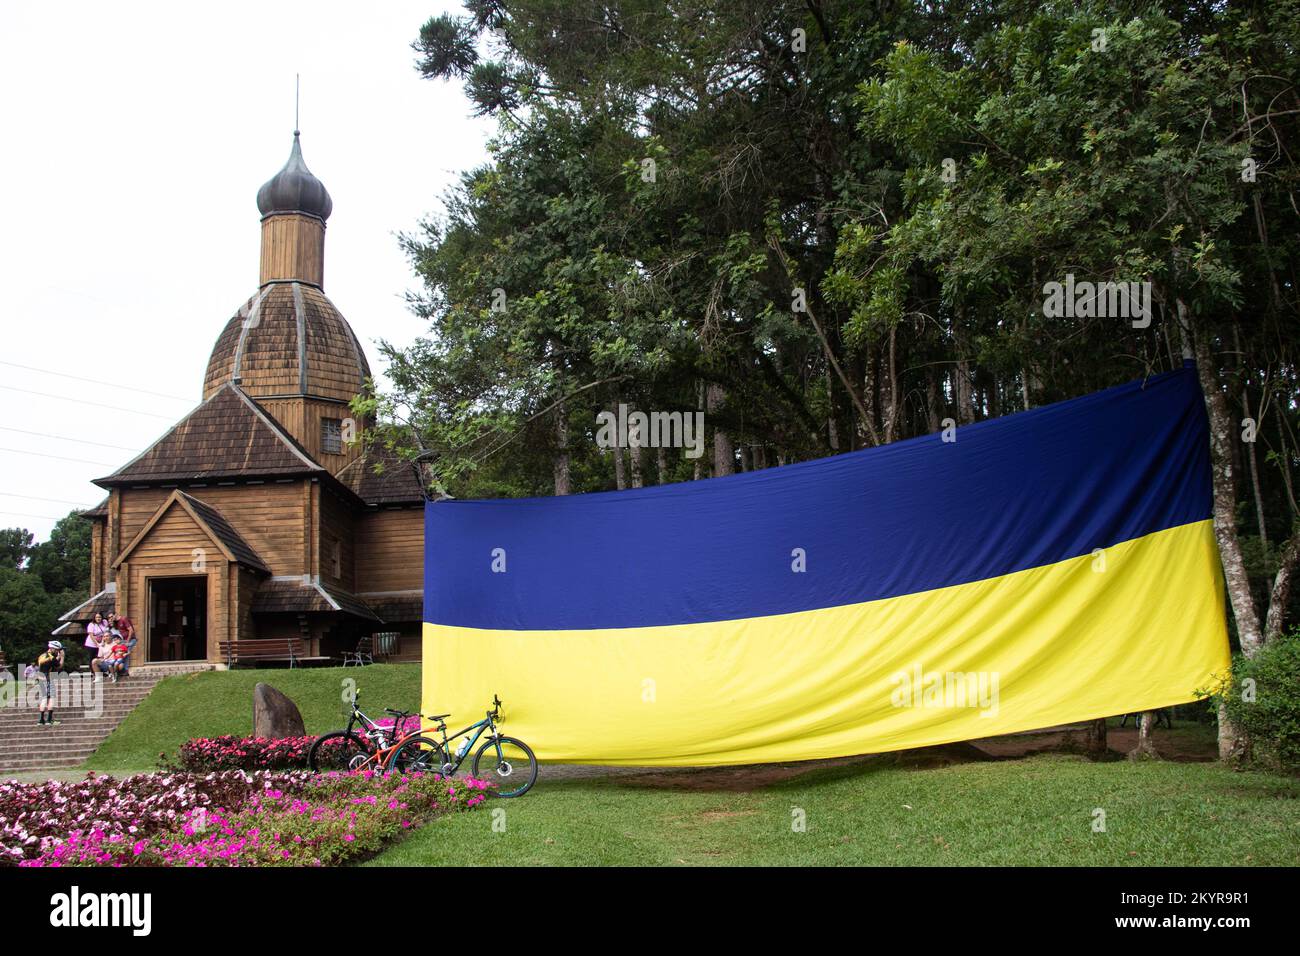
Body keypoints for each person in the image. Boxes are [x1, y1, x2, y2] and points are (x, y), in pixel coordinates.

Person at [36, 641, 64, 726]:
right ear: (52, 648)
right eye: (57, 650)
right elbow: (59, 666)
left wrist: (57, 658)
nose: (58, 651)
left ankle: (41, 720)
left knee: (44, 698)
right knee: (51, 698)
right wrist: (62, 657)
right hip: (47, 679)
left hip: (40, 678)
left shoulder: (42, 656)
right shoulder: (52, 658)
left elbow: (49, 665)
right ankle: (49, 720)